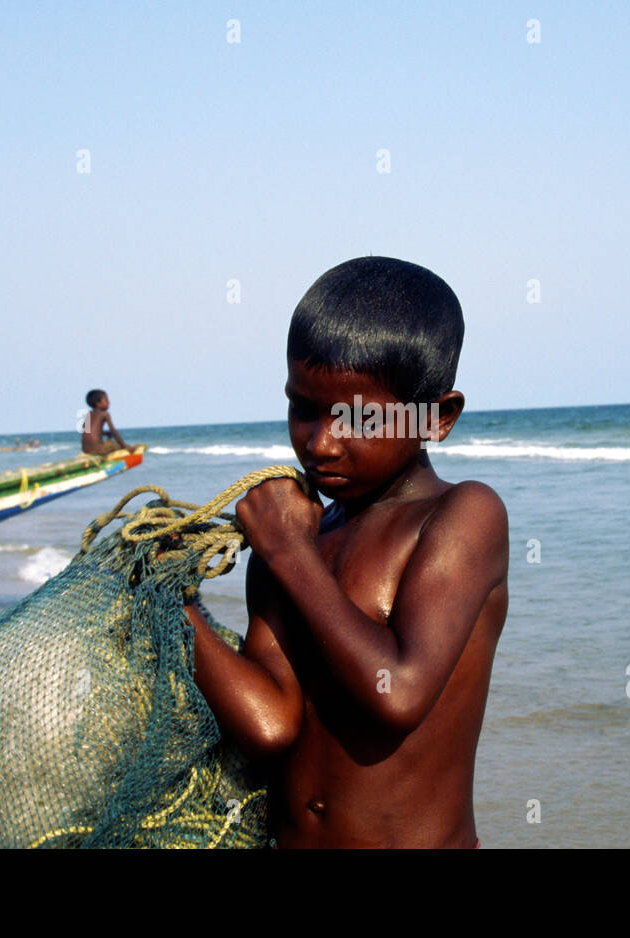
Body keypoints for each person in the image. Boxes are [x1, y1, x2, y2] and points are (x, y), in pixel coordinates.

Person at [184, 256, 509, 848]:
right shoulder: (299, 542)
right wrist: (176, 611)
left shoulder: (462, 517)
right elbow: (271, 725)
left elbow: (399, 691)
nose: (321, 442)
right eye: (303, 408)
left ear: (437, 418)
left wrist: (288, 554)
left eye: (357, 417)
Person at [81, 389, 129, 455]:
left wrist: (103, 433)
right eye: (106, 400)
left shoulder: (88, 414)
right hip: (98, 449)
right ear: (98, 403)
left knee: (106, 443)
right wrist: (125, 446)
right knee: (116, 445)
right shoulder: (104, 413)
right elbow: (114, 432)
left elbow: (86, 432)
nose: (109, 403)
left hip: (85, 449)